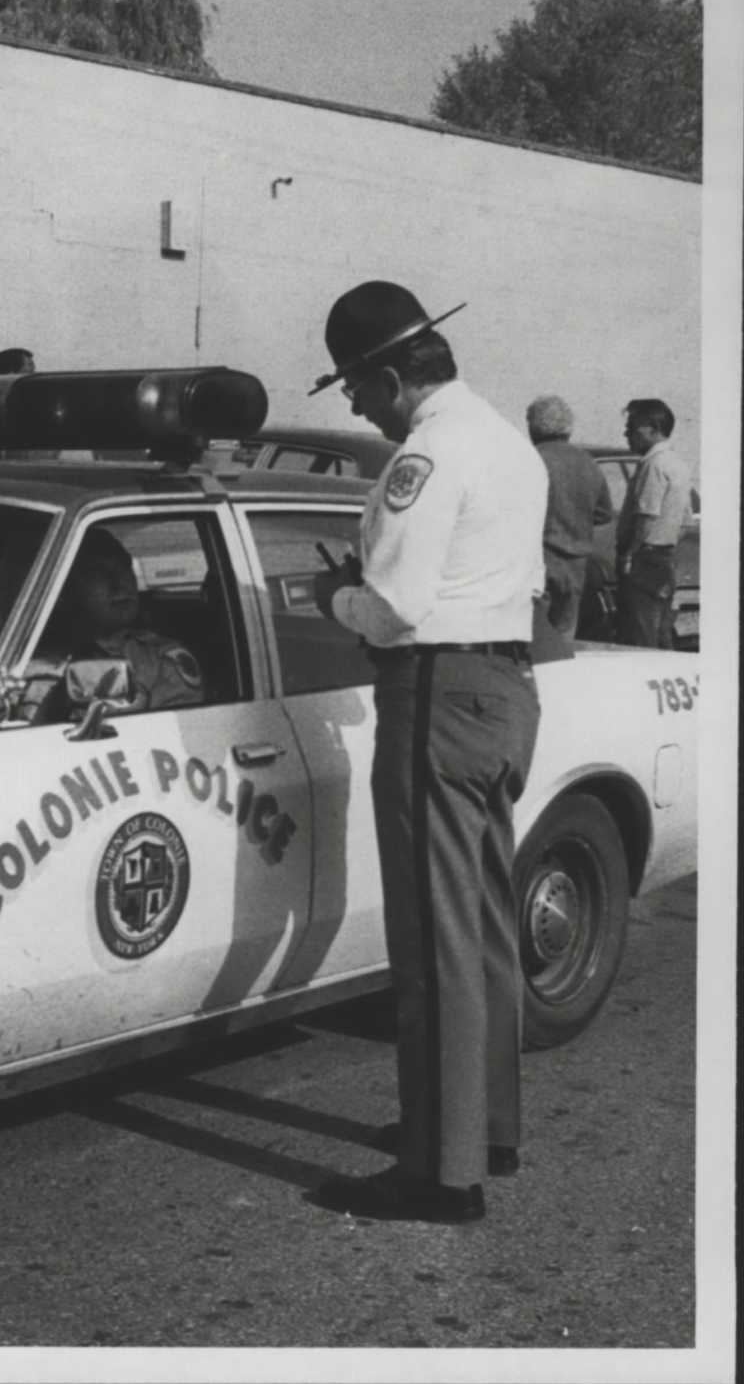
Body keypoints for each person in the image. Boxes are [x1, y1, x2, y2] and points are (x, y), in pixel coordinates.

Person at [307, 280, 546, 1224]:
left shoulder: (430, 452)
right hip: (502, 686)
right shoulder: (504, 438)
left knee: (430, 931)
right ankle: (484, 1126)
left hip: (436, 691)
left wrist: (335, 599)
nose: (358, 406)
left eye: (358, 388)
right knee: (483, 919)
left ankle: (441, 1173)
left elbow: (397, 603)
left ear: (397, 374)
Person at [25, 527, 205, 718]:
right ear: (66, 587)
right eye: (99, 572)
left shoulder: (159, 661)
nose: (120, 583)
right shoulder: (29, 658)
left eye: (125, 570)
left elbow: (180, 733)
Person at [525, 394, 612, 657]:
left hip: (538, 558)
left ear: (532, 426)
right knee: (564, 638)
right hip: (576, 563)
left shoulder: (529, 458)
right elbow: (603, 513)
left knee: (532, 638)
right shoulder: (588, 463)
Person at [613, 397, 690, 648]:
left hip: (644, 558)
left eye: (633, 426)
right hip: (665, 556)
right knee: (661, 630)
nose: (627, 433)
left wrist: (629, 556)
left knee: (640, 632)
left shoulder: (653, 465)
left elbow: (646, 515)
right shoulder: (677, 463)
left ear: (651, 427)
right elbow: (685, 521)